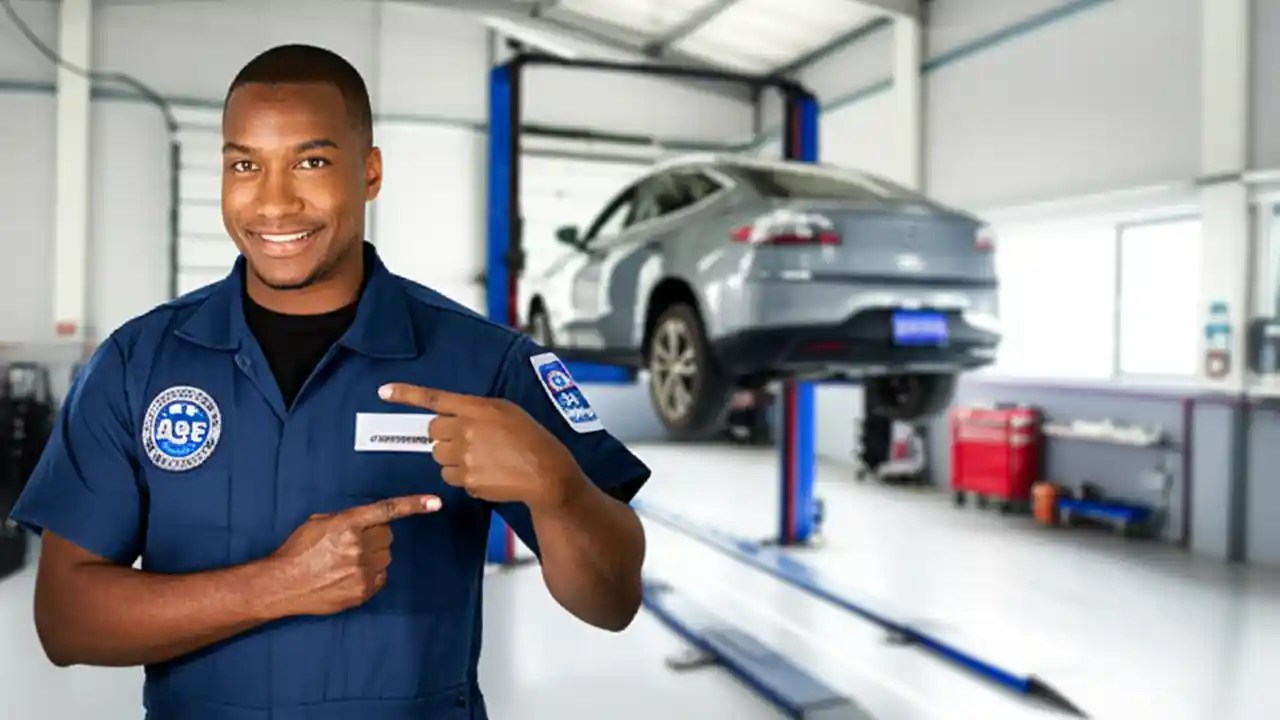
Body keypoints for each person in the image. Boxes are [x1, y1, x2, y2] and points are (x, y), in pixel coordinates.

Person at [8, 43, 650, 719]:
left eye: (311, 162)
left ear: (369, 173)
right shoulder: (138, 365)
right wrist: (279, 586)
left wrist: (560, 490)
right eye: (246, 165)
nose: (275, 201)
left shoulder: (482, 364)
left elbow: (613, 603)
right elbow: (64, 621)